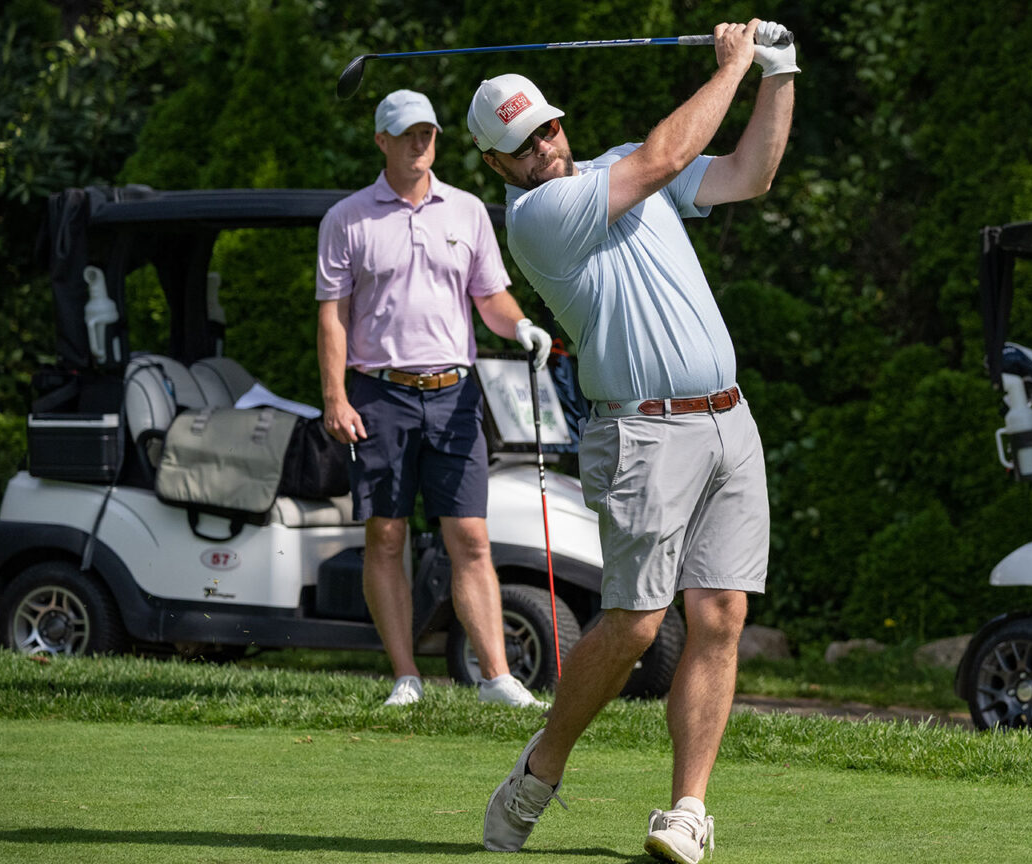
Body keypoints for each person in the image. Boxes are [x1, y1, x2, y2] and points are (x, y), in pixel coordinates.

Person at [465, 19, 797, 863]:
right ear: (497, 165)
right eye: (521, 144)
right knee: (637, 623)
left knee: (721, 613)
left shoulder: (613, 167)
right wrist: (731, 66)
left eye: (545, 127)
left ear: (557, 121)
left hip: (729, 420)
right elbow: (661, 158)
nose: (542, 146)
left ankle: (688, 809)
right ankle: (539, 768)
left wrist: (778, 73)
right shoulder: (540, 216)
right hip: (643, 430)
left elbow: (750, 174)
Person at [317, 89, 554, 709]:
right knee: (387, 536)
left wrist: (520, 324)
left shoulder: (469, 211)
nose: (420, 143)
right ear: (382, 142)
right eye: (407, 134)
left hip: (454, 394)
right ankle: (406, 675)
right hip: (380, 395)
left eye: (428, 132)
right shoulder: (347, 219)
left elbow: (490, 297)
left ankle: (498, 678)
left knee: (470, 537)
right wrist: (335, 395)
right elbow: (333, 317)